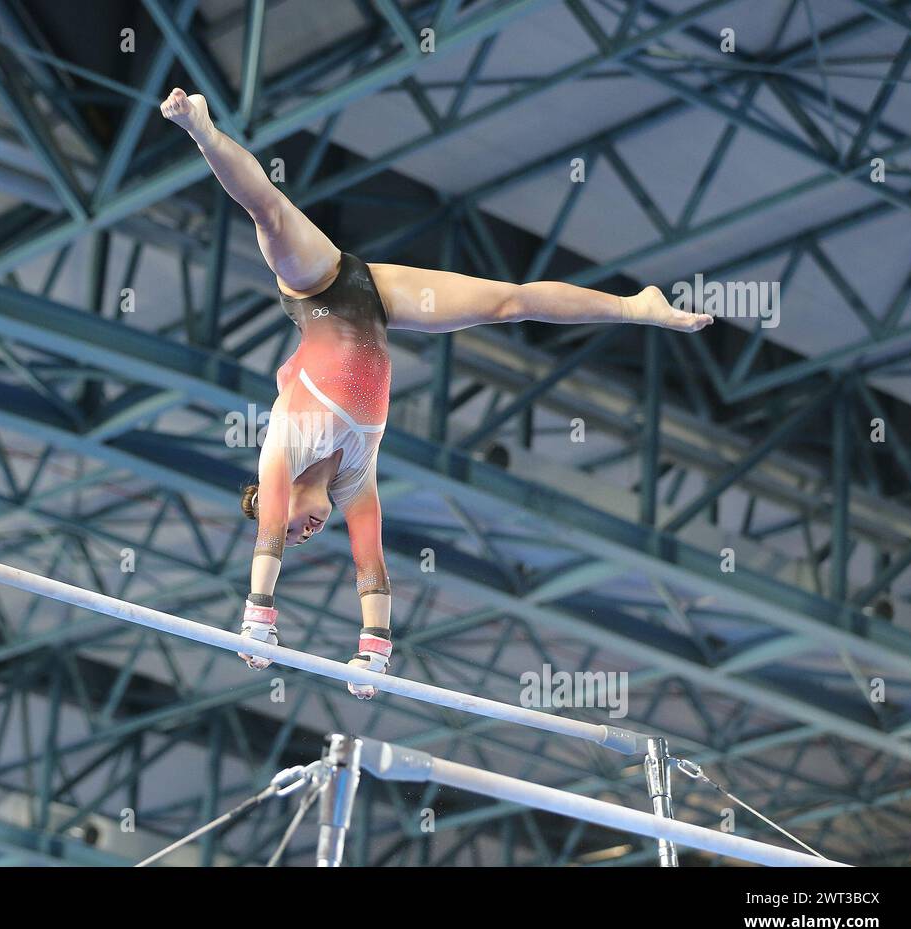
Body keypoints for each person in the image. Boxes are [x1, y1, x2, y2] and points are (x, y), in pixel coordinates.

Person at [160, 88, 713, 699]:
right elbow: (370, 562)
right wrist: (373, 652)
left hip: (320, 291)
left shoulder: (281, 451)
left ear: (274, 497)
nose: (300, 535)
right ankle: (638, 310)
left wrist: (258, 618)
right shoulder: (354, 480)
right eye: (299, 540)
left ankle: (203, 133)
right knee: (509, 304)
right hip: (380, 300)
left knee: (270, 213)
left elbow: (265, 532)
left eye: (292, 532)